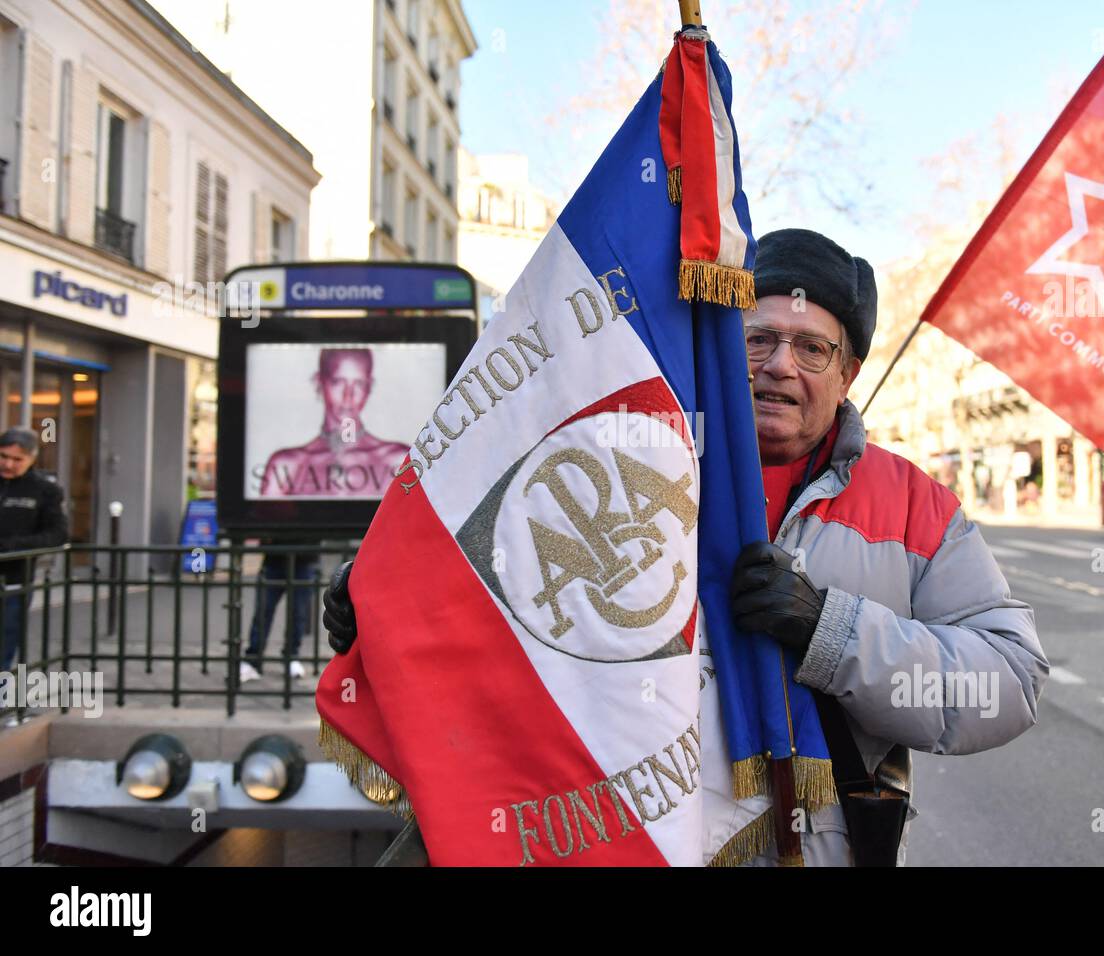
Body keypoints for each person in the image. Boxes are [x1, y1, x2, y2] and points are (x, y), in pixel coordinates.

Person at [321, 229, 1049, 866]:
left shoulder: (917, 505)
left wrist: (830, 629)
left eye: (812, 347)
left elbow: (1008, 681)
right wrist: (393, 604)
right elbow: (514, 595)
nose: (779, 365)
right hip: (614, 837)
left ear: (849, 371)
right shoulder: (627, 457)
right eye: (757, 338)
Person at [257, 348, 409, 499]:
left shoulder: (399, 460)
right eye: (337, 382)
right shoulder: (287, 466)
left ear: (369, 387)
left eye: (359, 384)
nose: (348, 395)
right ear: (319, 382)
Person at [0, 428, 68, 670]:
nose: (8, 464)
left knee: (5, 642)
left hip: (16, 578)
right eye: (3, 456)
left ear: (31, 458)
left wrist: (13, 546)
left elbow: (57, 534)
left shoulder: (44, 490)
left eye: (17, 459)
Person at [240, 538, 320, 684]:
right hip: (277, 556)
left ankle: (291, 656)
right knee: (264, 611)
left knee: (298, 613)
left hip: (301, 557)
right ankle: (254, 659)